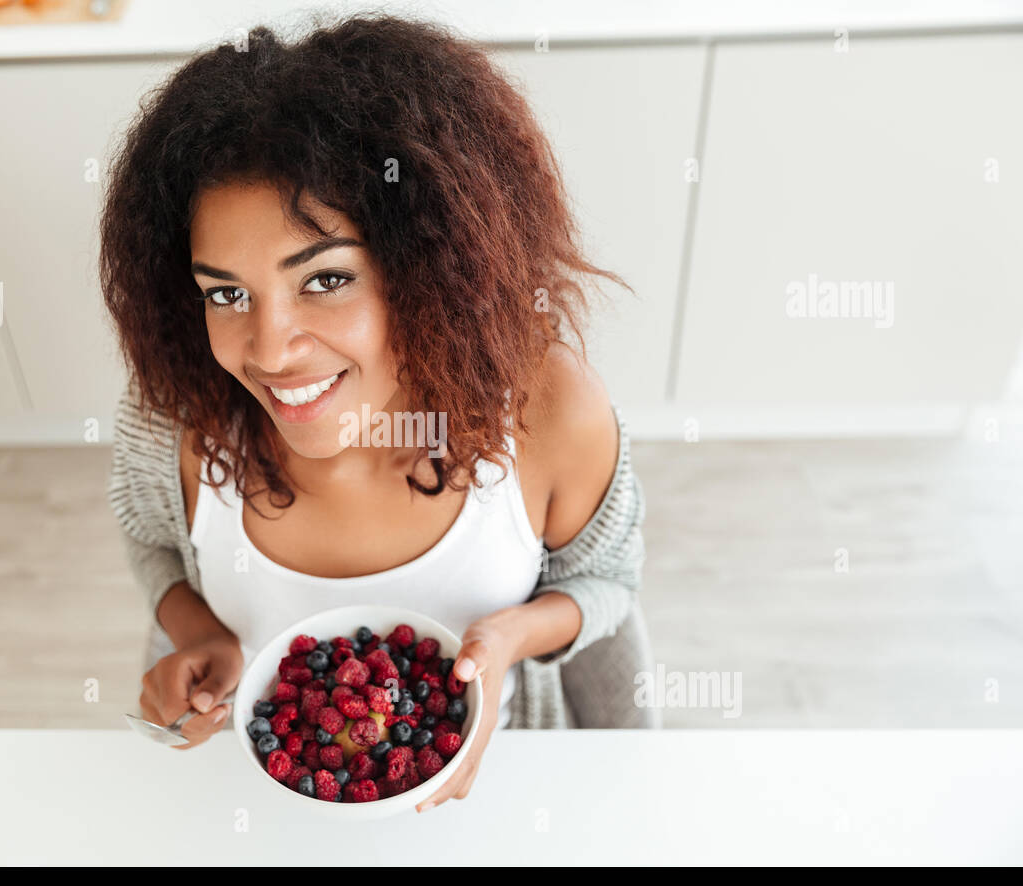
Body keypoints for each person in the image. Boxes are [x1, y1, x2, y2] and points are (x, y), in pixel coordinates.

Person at [103, 14, 655, 813]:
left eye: (324, 280)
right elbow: (152, 545)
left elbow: (607, 582)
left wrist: (511, 642)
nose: (269, 350)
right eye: (227, 293)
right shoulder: (175, 417)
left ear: (431, 269)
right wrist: (200, 634)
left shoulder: (549, 408)